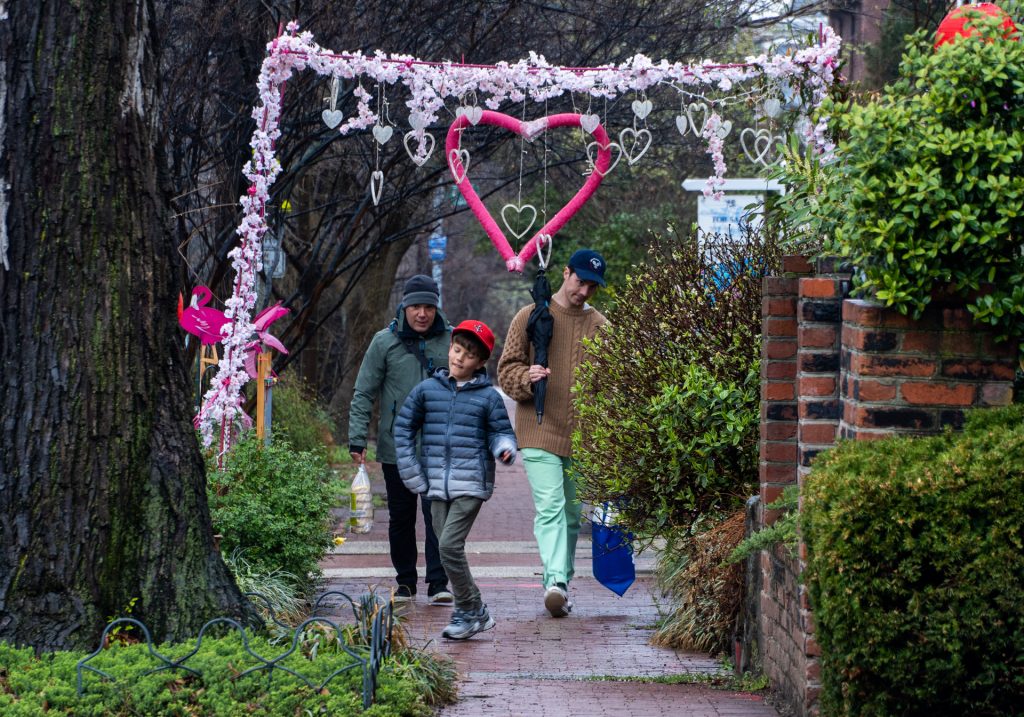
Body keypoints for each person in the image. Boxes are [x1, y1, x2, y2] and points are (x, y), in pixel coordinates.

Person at [498, 248, 608, 617]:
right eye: (580, 282)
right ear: (565, 273)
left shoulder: (601, 327)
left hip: (583, 436)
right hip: (539, 427)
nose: (585, 292)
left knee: (573, 515)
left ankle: (559, 581)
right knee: (551, 507)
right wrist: (526, 377)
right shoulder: (530, 316)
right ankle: (556, 583)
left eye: (593, 286)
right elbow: (506, 370)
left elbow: (614, 385)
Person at [395, 320, 517, 639]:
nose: (460, 358)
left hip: (471, 483)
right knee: (449, 548)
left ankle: (465, 611)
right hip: (435, 484)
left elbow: (501, 432)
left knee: (448, 545)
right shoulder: (426, 390)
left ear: (480, 362)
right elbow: (404, 427)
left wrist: (504, 449)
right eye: (457, 349)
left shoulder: (488, 397)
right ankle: (477, 610)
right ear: (450, 347)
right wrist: (411, 471)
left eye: (469, 354)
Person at [348, 274, 452, 605]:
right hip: (398, 448)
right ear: (404, 307)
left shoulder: (452, 341)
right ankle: (406, 582)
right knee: (402, 517)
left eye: (428, 307)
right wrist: (357, 437)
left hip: (440, 445)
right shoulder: (384, 342)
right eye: (416, 307)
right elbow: (364, 391)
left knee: (438, 516)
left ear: (436, 308)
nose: (422, 314)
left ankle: (438, 584)